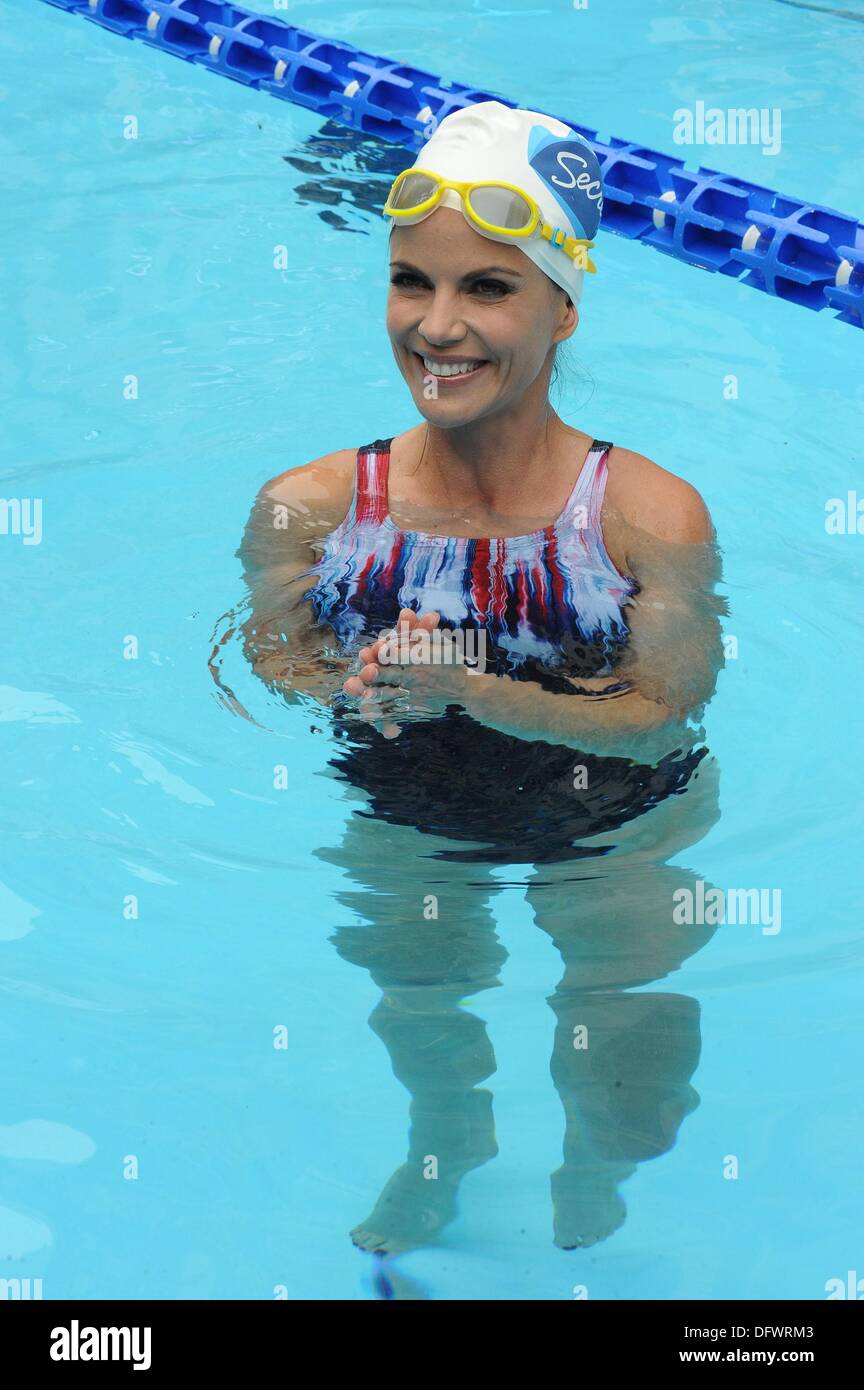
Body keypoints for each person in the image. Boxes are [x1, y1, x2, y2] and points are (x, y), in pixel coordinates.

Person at [232, 102, 726, 1254]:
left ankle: (597, 1164)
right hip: (409, 798)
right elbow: (268, 655)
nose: (437, 328)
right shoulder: (307, 507)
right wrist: (342, 687)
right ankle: (448, 1135)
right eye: (412, 282)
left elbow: (659, 721)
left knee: (632, 1084)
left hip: (618, 815)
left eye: (489, 290)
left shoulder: (651, 517)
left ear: (563, 306)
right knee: (421, 1003)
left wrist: (468, 688)